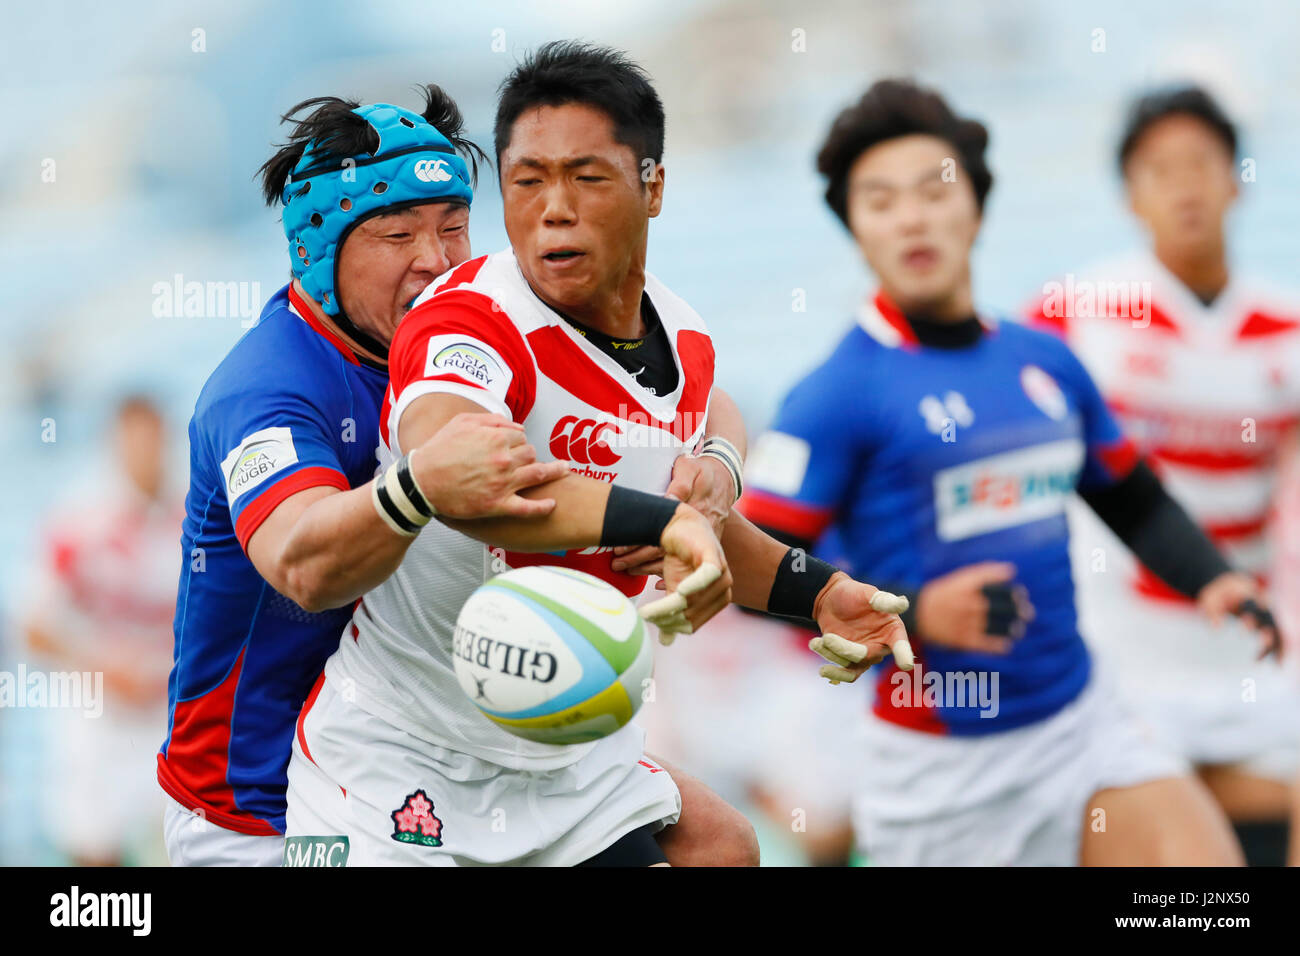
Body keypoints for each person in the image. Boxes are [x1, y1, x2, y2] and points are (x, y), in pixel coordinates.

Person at [285, 42, 911, 867]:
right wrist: (669, 519)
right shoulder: (468, 320)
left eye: (586, 177)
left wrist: (819, 593)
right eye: (527, 181)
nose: (554, 209)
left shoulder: (684, 338)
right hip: (402, 761)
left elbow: (684, 520)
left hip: (568, 764)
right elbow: (468, 477)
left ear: (652, 187)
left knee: (725, 850)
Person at [741, 78, 1281, 866]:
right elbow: (751, 565)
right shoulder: (835, 392)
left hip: (1084, 727)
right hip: (940, 771)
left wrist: (1211, 578)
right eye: (881, 201)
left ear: (978, 209)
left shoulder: (1046, 361)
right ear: (856, 231)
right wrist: (915, 612)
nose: (912, 217)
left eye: (934, 191)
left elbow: (1130, 497)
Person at [159, 87, 571, 866]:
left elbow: (675, 368)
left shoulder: (466, 342)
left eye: (453, 226)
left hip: (439, 767)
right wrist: (418, 486)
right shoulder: (265, 390)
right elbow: (305, 566)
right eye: (397, 233)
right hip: (262, 808)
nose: (437, 259)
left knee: (712, 840)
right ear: (320, 251)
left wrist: (707, 464)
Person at [1027, 85, 1300, 866]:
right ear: (1130, 194)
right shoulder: (1075, 313)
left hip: (1250, 653)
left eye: (1201, 164)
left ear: (1236, 181)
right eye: (1160, 170)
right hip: (1126, 657)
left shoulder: (1287, 326)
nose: (1185, 187)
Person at [24, 396, 180, 865]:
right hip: (101, 712)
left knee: (181, 843)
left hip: (169, 706)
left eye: (152, 440)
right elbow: (34, 627)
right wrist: (104, 670)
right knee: (93, 848)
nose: (144, 453)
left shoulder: (193, 516)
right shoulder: (80, 520)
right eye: (133, 442)